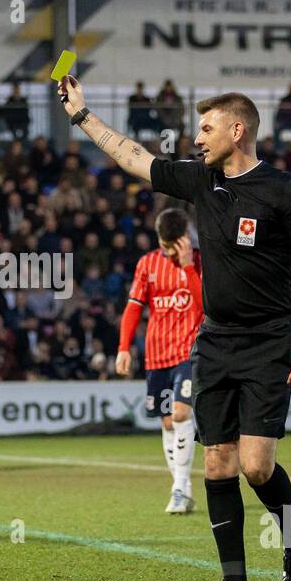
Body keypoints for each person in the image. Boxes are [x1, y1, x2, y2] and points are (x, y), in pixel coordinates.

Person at [58, 75, 291, 581]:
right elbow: (134, 157)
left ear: (238, 130)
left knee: (256, 467)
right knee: (216, 464)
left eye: (206, 128)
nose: (197, 138)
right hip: (214, 341)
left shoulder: (282, 189)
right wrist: (81, 116)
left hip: (270, 341)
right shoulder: (200, 181)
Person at [117, 207, 203, 514]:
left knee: (181, 414)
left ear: (183, 239)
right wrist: (124, 347)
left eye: (172, 245)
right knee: (167, 422)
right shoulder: (147, 264)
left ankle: (179, 488)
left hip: (189, 353)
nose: (167, 251)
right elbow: (133, 308)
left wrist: (188, 266)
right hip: (156, 356)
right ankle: (183, 486)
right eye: (163, 245)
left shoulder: (200, 262)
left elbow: (204, 302)